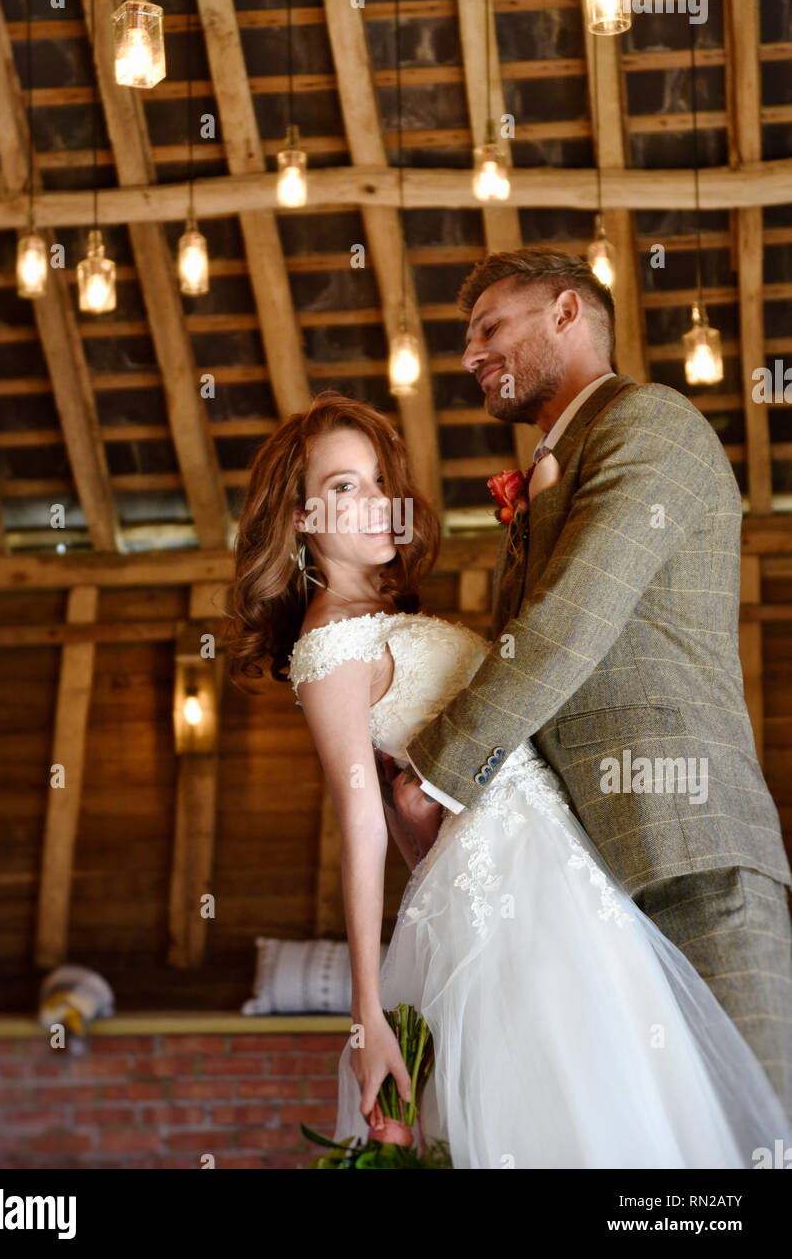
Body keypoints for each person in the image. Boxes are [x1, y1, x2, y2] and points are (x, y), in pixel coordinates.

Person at [223, 296, 790, 1165]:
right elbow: (361, 822)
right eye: (342, 488)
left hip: (569, 866)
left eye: (377, 481)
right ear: (300, 519)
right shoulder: (326, 651)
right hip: (504, 892)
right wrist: (365, 1013)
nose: (375, 503)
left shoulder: (386, 618)